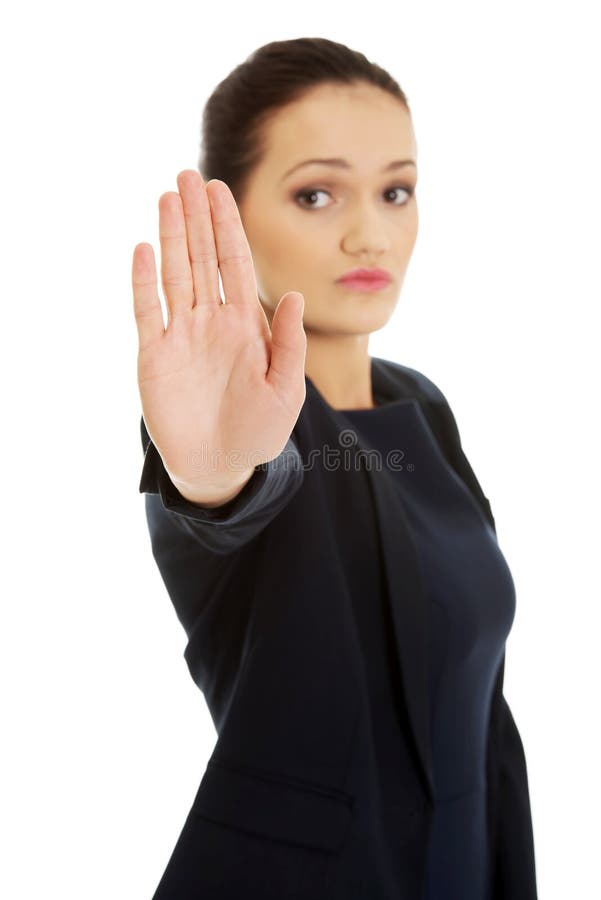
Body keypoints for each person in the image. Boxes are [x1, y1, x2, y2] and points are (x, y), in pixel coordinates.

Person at [132, 37, 538, 900]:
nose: (370, 232)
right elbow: (224, 495)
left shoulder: (418, 405)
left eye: (396, 191)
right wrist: (211, 472)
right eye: (315, 193)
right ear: (229, 214)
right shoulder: (238, 429)